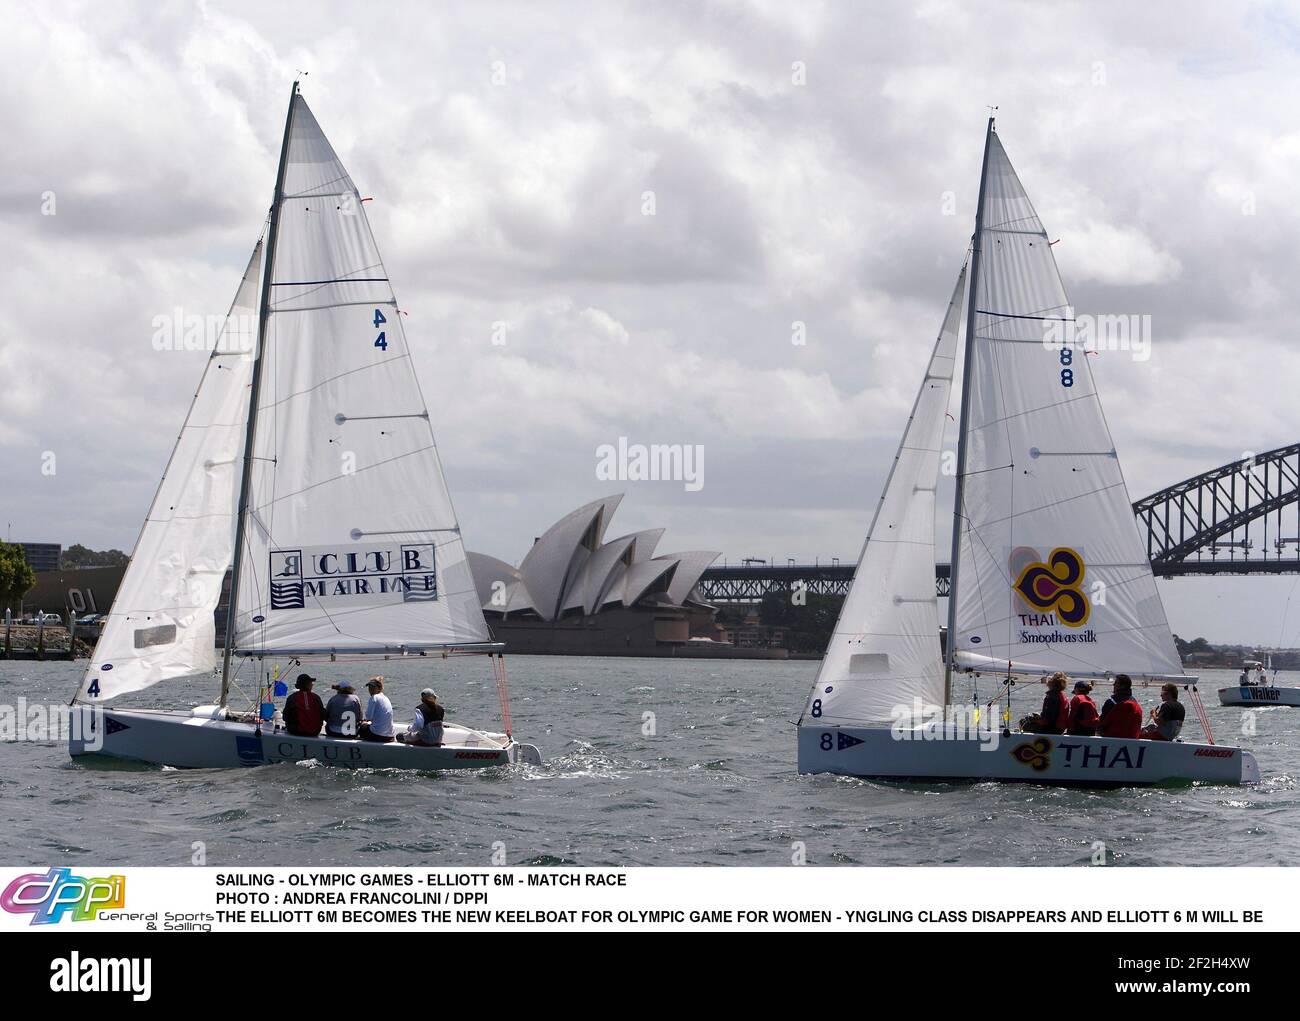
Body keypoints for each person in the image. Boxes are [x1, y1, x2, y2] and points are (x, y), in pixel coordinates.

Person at [1097, 674, 1143, 739]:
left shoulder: (1111, 702)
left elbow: (1102, 724)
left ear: (1122, 686)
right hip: (1132, 740)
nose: (1113, 685)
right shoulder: (1134, 702)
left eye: (1116, 683)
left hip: (1111, 740)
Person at [359, 675, 395, 743]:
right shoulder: (385, 698)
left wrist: (364, 722)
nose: (370, 690)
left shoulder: (374, 697)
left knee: (361, 726)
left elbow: (368, 717)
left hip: (377, 735)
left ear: (379, 688)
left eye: (373, 687)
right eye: (369, 687)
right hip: (390, 736)